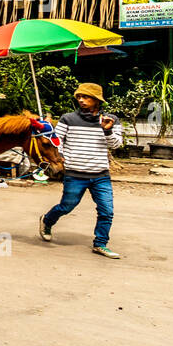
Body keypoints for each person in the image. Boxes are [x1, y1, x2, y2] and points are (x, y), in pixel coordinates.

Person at [39, 82, 123, 259]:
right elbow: (57, 140)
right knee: (66, 206)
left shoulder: (111, 120)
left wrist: (107, 131)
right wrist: (60, 155)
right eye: (79, 97)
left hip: (100, 174)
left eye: (86, 97)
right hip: (75, 174)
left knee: (107, 211)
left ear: (97, 100)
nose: (81, 100)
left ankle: (100, 244)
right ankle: (47, 220)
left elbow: (117, 145)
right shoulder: (68, 118)